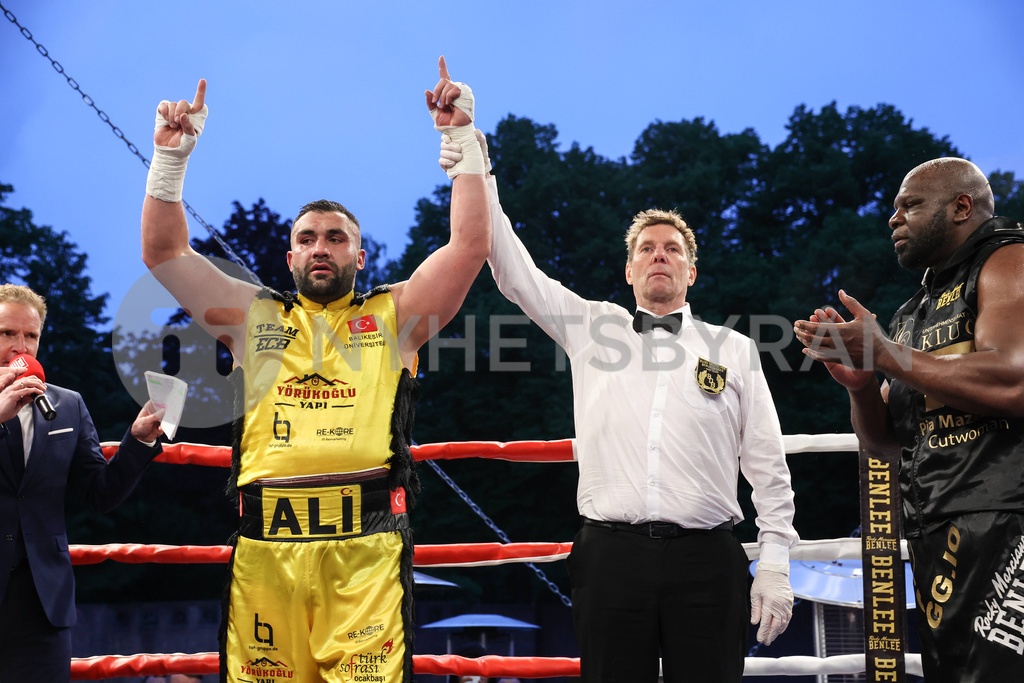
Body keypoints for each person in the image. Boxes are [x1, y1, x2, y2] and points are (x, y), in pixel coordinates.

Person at [140, 58, 489, 683]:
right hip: (266, 550)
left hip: (366, 552)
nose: (321, 247)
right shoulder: (252, 317)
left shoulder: (397, 315)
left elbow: (468, 246)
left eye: (335, 237)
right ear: (290, 253)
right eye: (308, 238)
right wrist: (171, 160)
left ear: (361, 252)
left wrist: (459, 139)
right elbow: (165, 252)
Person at [439, 134, 798, 682]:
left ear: (691, 272)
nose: (659, 255)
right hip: (611, 555)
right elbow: (514, 271)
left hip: (708, 560)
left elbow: (768, 465)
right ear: (629, 271)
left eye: (672, 249)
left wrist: (773, 562)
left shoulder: (734, 349)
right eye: (646, 249)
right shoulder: (593, 326)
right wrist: (472, 160)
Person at [794, 157, 1024, 681]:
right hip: (935, 530)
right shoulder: (909, 313)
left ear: (962, 206)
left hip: (1010, 518)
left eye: (910, 205)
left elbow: (1015, 380)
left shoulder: (1009, 261)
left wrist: (886, 354)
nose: (893, 219)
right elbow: (886, 445)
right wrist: (860, 387)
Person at [0, 283, 165, 683]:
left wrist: (138, 440)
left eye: (30, 336)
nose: (20, 346)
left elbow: (100, 493)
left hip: (43, 604)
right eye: (7, 333)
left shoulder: (66, 404)